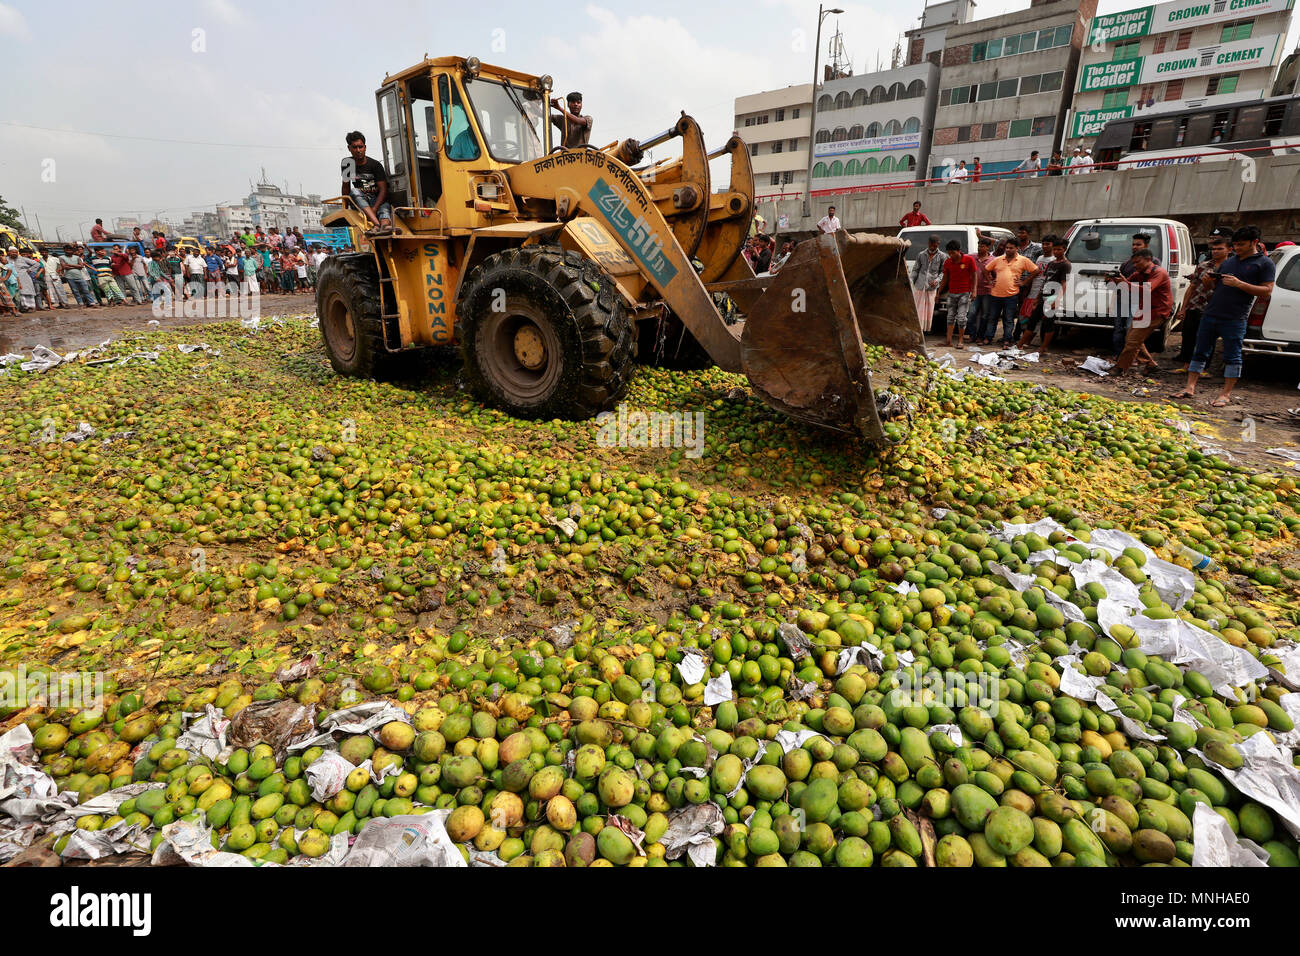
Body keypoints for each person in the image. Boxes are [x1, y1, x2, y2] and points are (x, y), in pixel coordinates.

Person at [1173, 226, 1275, 406]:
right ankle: (1189, 387)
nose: (1237, 248)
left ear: (1255, 243)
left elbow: (1267, 291)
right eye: (1235, 244)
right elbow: (1216, 288)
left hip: (1235, 317)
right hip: (1211, 313)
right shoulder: (1229, 262)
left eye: (1241, 244)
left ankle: (1225, 394)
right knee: (1199, 351)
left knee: (1232, 356)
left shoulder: (1264, 264)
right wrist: (1207, 284)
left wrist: (1239, 284)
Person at [1111, 248, 1172, 375]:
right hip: (1144, 309)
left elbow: (1146, 289)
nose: (1135, 265)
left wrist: (1125, 283)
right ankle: (1150, 364)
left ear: (1148, 260)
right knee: (1132, 337)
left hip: (1157, 311)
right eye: (1134, 263)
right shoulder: (1139, 273)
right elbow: (1127, 283)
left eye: (1138, 262)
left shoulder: (1159, 272)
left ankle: (1120, 368)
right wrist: (1117, 280)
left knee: (1133, 340)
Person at [1173, 237, 1228, 371]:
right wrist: (1184, 308)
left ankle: (1202, 369)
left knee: (1208, 339)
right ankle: (1186, 365)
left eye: (1220, 249)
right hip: (1194, 305)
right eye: (1213, 249)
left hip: (1214, 308)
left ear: (1229, 250)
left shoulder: (1230, 267)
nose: (1215, 251)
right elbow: (1191, 287)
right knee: (1188, 336)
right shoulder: (1203, 265)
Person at [1017, 235, 1070, 353]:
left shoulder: (1065, 265)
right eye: (1055, 249)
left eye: (1059, 249)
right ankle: (1020, 344)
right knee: (1032, 320)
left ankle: (1043, 347)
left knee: (1048, 324)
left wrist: (1057, 300)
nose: (1056, 252)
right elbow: (1045, 281)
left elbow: (1064, 283)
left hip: (1053, 297)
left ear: (1064, 249)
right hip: (1043, 296)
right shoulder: (1051, 263)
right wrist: (1037, 298)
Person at [984, 238, 1038, 345]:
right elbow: (986, 270)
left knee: (1008, 319)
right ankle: (988, 338)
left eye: (1011, 248)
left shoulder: (1023, 260)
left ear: (1016, 249)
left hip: (1011, 295)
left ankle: (1007, 339)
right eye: (1007, 248)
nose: (1008, 250)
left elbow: (1035, 270)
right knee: (992, 318)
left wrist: (1024, 282)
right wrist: (990, 280)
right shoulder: (998, 259)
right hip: (995, 294)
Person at [341, 131, 393, 233]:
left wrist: (374, 209)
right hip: (360, 200)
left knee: (384, 207)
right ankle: (377, 224)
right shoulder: (348, 163)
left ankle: (385, 226)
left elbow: (383, 190)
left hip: (376, 200)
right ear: (349, 148)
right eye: (355, 147)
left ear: (365, 147)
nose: (358, 150)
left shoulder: (375, 165)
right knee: (354, 191)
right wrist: (345, 209)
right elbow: (345, 187)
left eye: (360, 147)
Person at [935, 239, 978, 349]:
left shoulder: (969, 260)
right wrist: (938, 292)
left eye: (953, 253)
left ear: (959, 251)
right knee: (950, 317)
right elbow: (945, 278)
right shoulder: (948, 262)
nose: (951, 255)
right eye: (949, 253)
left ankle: (960, 340)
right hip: (952, 293)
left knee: (962, 318)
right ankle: (948, 341)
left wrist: (974, 291)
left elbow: (974, 276)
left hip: (964, 293)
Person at [910, 235, 944, 333]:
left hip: (931, 287)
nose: (933, 247)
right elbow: (916, 269)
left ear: (938, 244)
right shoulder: (921, 254)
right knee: (917, 308)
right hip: (919, 285)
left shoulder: (942, 256)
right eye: (932, 245)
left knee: (929, 310)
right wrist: (911, 280)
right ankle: (917, 329)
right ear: (928, 243)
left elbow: (943, 272)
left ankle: (925, 330)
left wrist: (937, 280)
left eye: (935, 245)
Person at [972, 236, 996, 344]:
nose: (979, 248)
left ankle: (980, 336)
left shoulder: (993, 260)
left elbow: (996, 275)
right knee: (971, 313)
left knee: (985, 315)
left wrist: (992, 283)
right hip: (975, 291)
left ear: (987, 248)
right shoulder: (972, 257)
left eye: (982, 246)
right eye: (979, 246)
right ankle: (972, 335)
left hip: (987, 291)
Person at [0, 250, 18, 315]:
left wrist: (5, 278)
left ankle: (14, 311)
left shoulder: (1, 265)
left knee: (7, 297)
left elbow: (9, 270)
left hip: (1, 284)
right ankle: (5, 312)